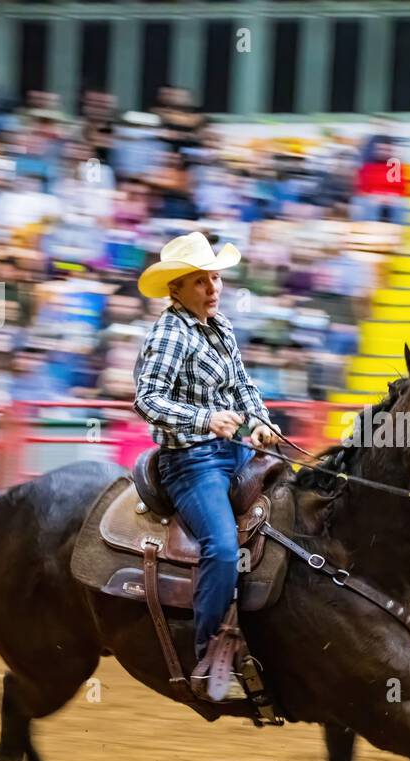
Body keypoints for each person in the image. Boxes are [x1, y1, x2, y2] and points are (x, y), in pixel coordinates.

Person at [133, 232, 282, 701]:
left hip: (232, 451)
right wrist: (204, 418)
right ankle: (208, 652)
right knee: (219, 546)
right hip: (190, 461)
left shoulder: (221, 327)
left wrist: (260, 422)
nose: (213, 288)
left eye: (215, 278)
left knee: (296, 501)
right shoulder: (168, 333)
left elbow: (243, 388)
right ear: (177, 288)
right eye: (200, 281)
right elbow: (147, 399)